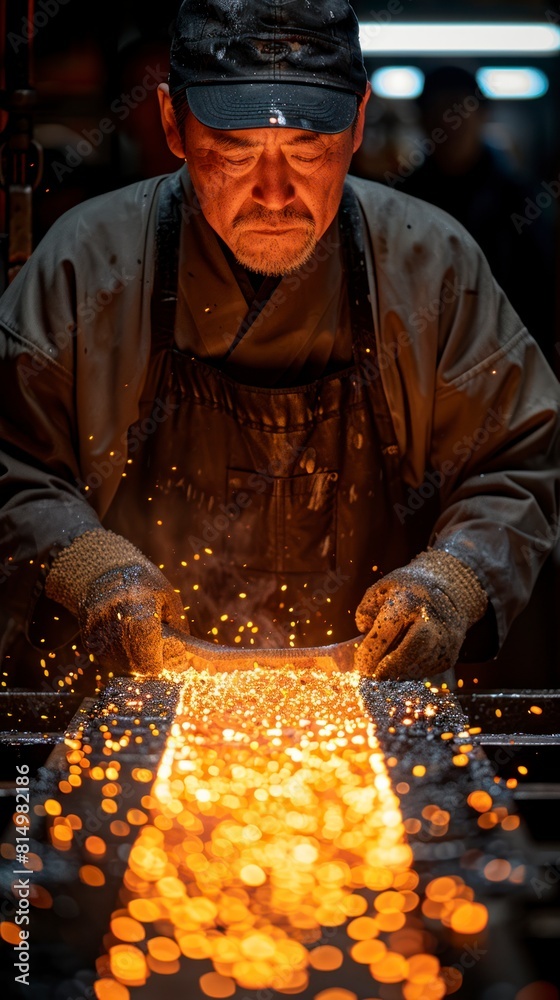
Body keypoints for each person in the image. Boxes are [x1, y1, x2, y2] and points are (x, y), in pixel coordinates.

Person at [0, 0, 559, 687]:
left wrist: (454, 579)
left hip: (369, 697)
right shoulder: (87, 266)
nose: (274, 193)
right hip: (132, 698)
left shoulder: (432, 267)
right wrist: (85, 564)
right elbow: (12, 462)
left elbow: (520, 462)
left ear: (357, 124)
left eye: (307, 150)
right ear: (173, 124)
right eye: (234, 150)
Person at [398, 66, 557, 367]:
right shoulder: (402, 200)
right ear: (422, 120)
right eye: (439, 108)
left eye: (460, 107)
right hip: (423, 361)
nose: (451, 120)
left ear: (483, 115)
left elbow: (541, 291)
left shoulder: (519, 200)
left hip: (508, 361)